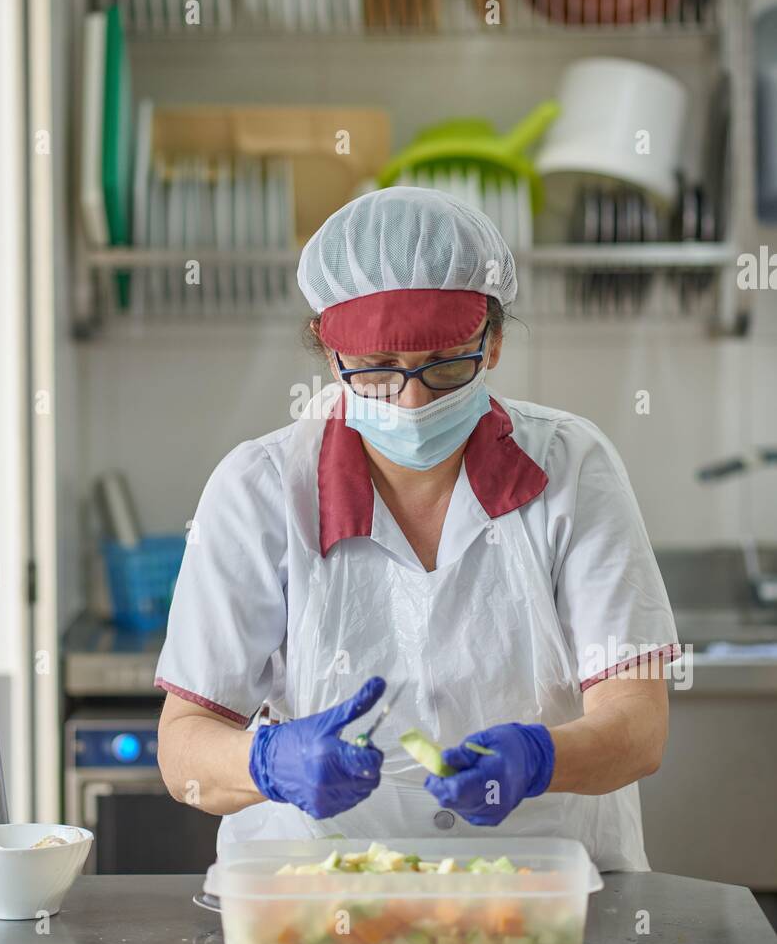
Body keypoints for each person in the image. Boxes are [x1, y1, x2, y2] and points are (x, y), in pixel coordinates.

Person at [156, 188, 677, 870]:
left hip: (543, 889)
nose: (411, 400)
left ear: (490, 343)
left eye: (445, 364)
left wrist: (540, 758)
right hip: (316, 896)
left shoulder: (573, 468)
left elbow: (638, 728)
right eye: (375, 372)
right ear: (326, 347)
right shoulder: (257, 489)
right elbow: (182, 750)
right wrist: (268, 762)